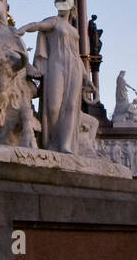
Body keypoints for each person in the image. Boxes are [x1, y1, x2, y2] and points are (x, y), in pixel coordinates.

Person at [18, 9, 91, 153]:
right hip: (56, 63)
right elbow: (38, 25)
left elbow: (77, 53)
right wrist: (23, 28)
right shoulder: (54, 21)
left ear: (71, 7)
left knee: (71, 105)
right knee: (53, 107)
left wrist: (86, 77)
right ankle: (52, 141)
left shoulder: (73, 29)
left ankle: (65, 144)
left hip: (75, 66)